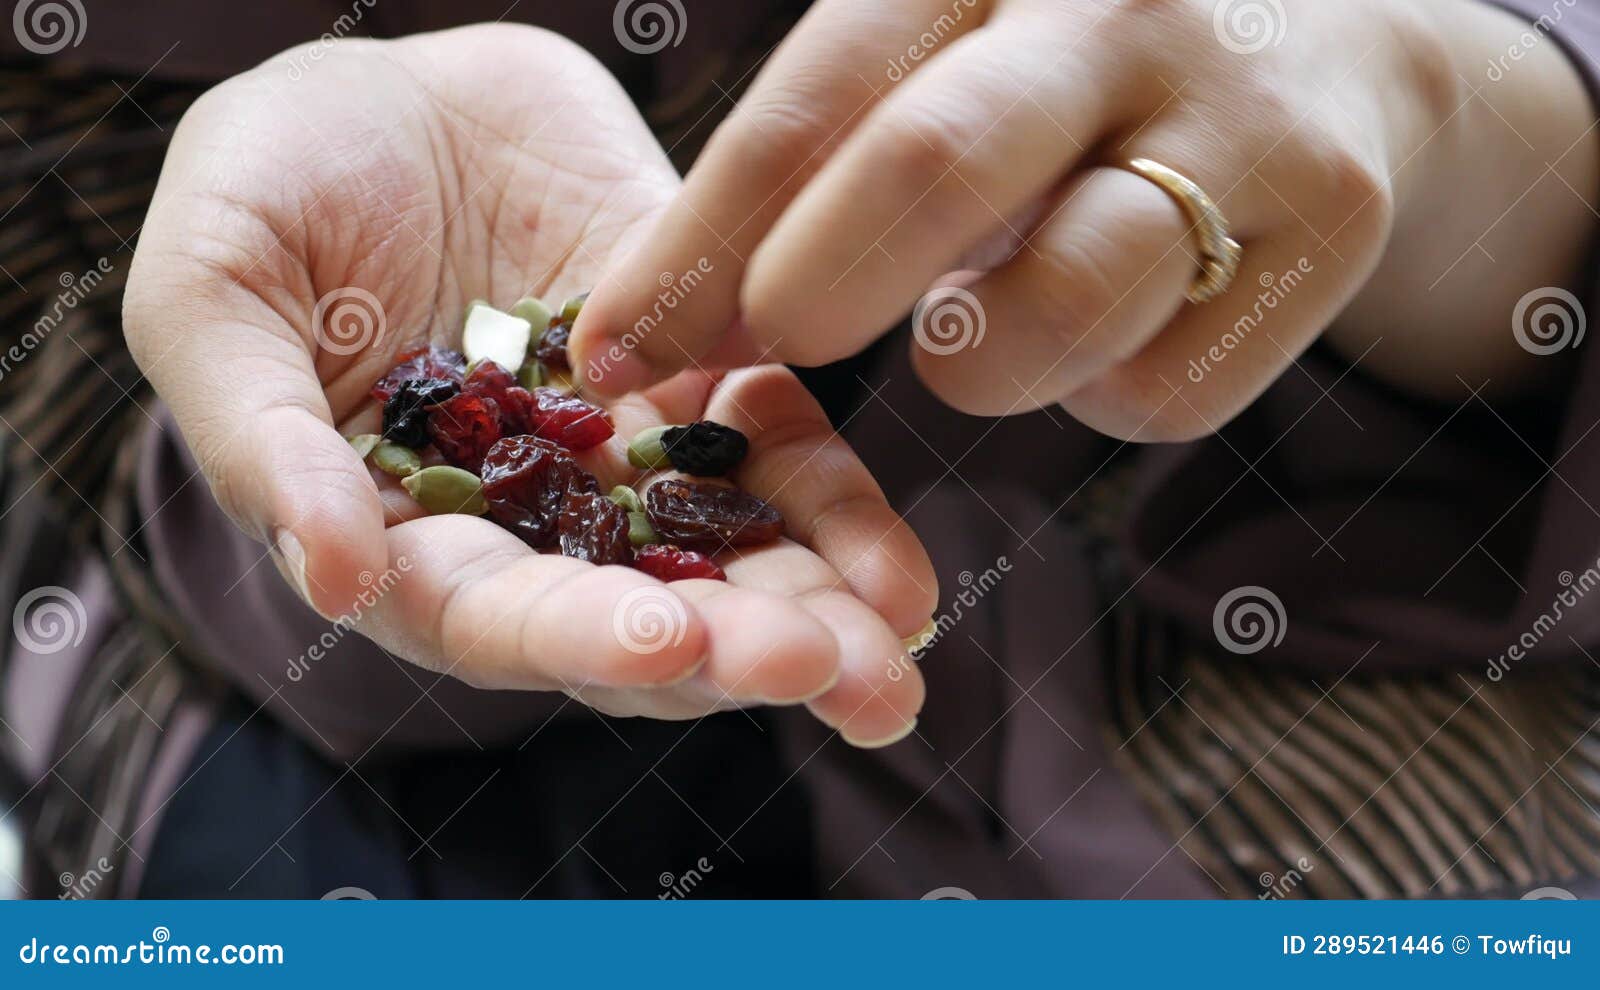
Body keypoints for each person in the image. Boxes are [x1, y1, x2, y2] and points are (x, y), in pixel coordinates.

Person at [7, 0, 1600, 898]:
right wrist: (280, 483)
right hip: (322, 764)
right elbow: (74, 501)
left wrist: (1449, 98)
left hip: (1287, 639)